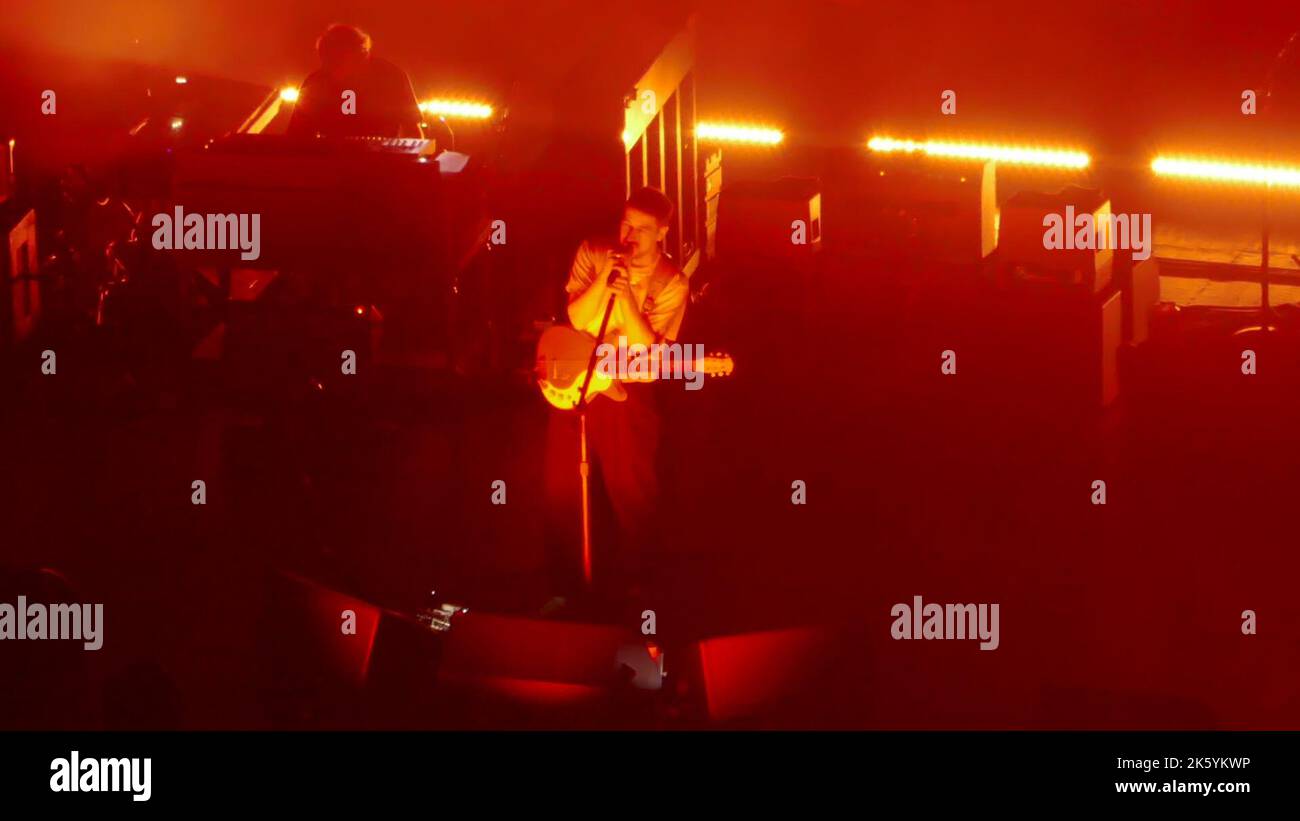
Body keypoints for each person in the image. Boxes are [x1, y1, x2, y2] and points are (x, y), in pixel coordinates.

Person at [543, 187, 690, 616]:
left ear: (662, 232)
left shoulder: (671, 281)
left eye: (643, 230)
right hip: (579, 378)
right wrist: (606, 282)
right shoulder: (593, 251)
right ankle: (567, 581)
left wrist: (625, 295)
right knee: (564, 483)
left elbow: (647, 348)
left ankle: (639, 585)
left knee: (632, 488)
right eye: (626, 224)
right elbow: (576, 317)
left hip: (630, 386)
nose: (630, 236)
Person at [286, 24, 425, 139]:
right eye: (331, 62)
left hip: (381, 162)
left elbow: (411, 128)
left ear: (362, 55)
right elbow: (297, 134)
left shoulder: (391, 77)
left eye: (341, 60)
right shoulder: (315, 83)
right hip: (331, 162)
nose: (335, 69)